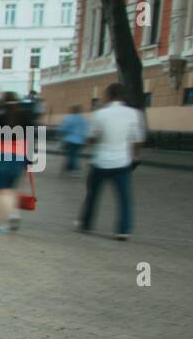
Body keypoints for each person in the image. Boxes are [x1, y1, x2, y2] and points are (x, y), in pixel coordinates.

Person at [78, 82, 144, 241]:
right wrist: (135, 155)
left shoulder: (101, 114)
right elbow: (137, 138)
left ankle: (86, 223)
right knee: (124, 198)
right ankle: (123, 230)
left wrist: (87, 144)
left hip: (101, 161)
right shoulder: (134, 114)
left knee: (93, 194)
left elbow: (93, 136)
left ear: (108, 96)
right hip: (122, 162)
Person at [0, 91, 30, 232]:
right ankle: (14, 212)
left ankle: (3, 223)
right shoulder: (26, 116)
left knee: (1, 191)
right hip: (21, 155)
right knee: (10, 189)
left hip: (2, 155)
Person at [60, 105, 88, 174]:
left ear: (72, 110)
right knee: (73, 154)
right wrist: (85, 139)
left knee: (72, 155)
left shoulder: (69, 118)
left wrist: (62, 134)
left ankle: (76, 169)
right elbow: (85, 130)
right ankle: (68, 167)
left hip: (71, 140)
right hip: (80, 140)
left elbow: (64, 128)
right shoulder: (82, 119)